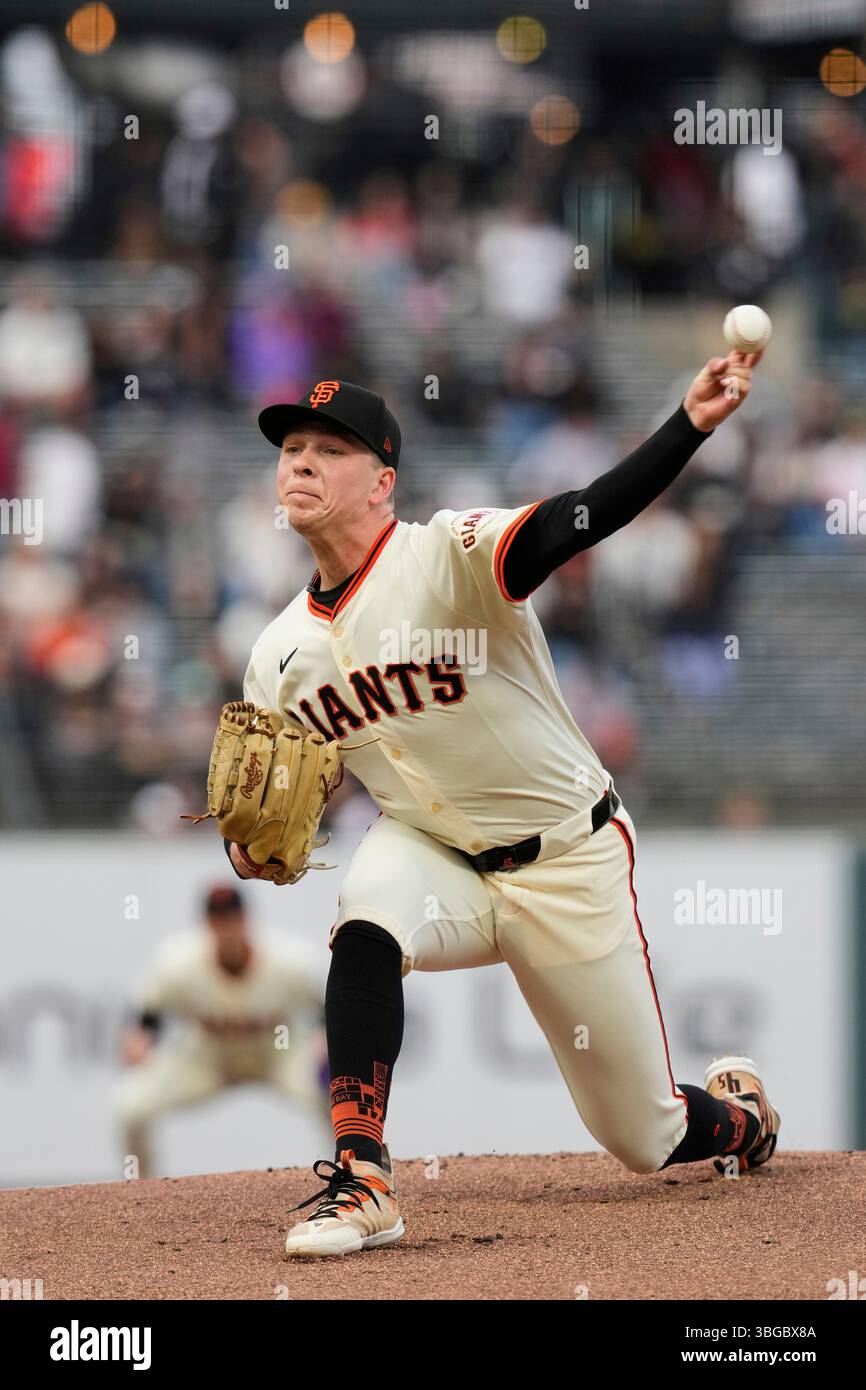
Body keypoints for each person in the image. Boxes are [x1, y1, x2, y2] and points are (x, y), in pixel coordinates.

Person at [228, 359, 778, 1259]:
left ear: (382, 482)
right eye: (291, 448)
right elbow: (292, 798)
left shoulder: (449, 556)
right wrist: (250, 849)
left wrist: (686, 424)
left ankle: (744, 1120)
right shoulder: (279, 652)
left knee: (644, 1137)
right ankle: (364, 1178)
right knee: (365, 921)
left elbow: (577, 519)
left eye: (330, 449)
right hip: (434, 850)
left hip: (566, 857)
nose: (301, 462)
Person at [115, 884, 329, 1178]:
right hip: (209, 1054)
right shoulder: (179, 961)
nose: (226, 927)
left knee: (335, 1094)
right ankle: (141, 1191)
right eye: (218, 920)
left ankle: (353, 1178)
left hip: (276, 1051)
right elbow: (150, 1009)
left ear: (245, 919)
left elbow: (327, 1004)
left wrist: (326, 1038)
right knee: (131, 1106)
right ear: (207, 925)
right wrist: (141, 1037)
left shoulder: (290, 959)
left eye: (232, 918)